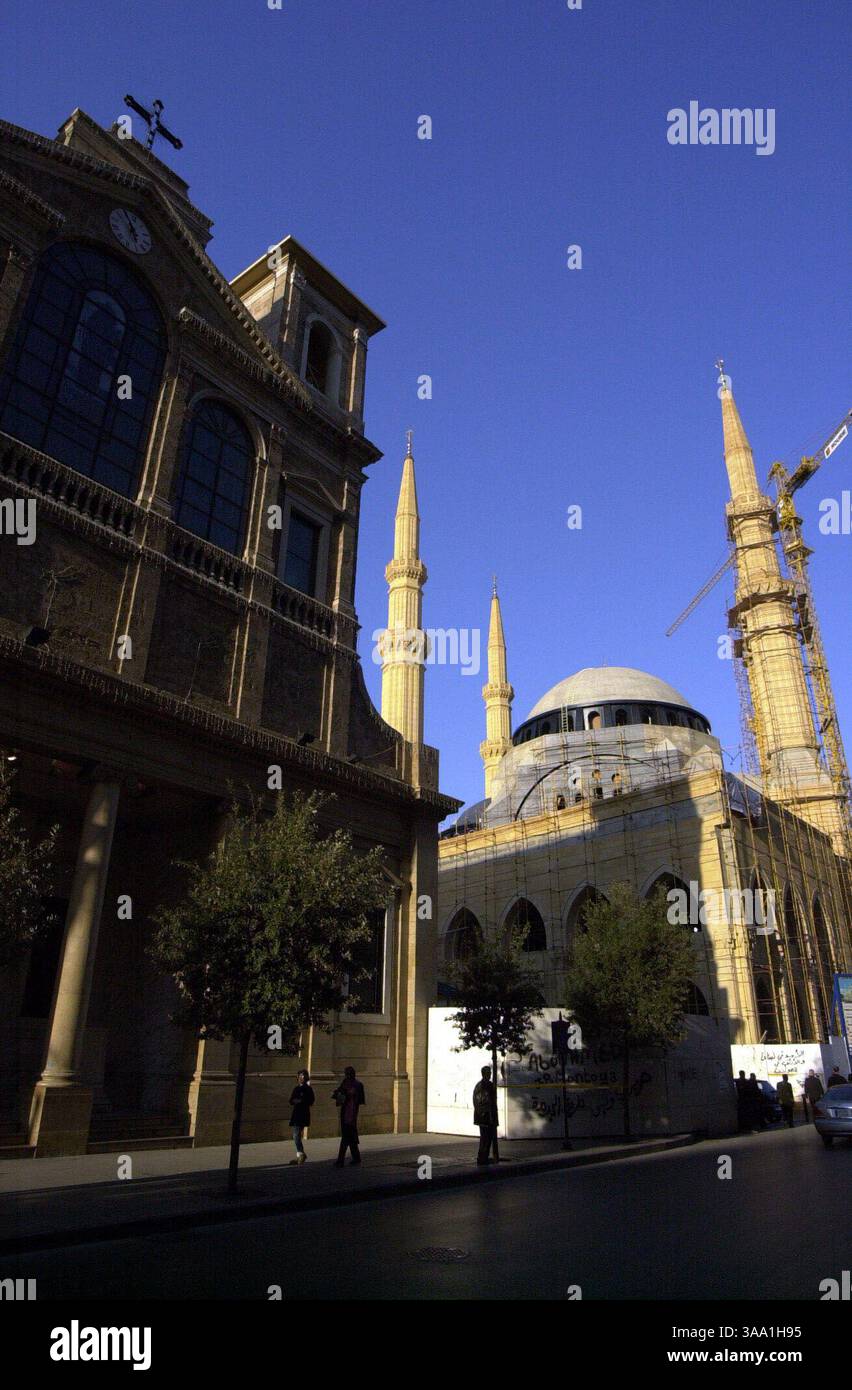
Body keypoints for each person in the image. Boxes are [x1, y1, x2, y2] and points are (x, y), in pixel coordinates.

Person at [332, 1066, 365, 1167]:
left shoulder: (357, 1085)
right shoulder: (345, 1083)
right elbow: (340, 1094)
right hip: (346, 1111)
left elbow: (359, 1098)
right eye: (346, 1073)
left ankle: (340, 1160)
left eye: (348, 1073)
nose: (347, 1075)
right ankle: (356, 1157)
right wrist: (337, 1094)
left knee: (346, 1137)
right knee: (350, 1136)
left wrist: (348, 1094)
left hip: (351, 1112)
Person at [288, 1068, 315, 1165]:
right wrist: (295, 1101)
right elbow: (291, 1100)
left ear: (306, 1077)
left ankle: (301, 1154)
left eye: (303, 1075)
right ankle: (300, 1155)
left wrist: (301, 1101)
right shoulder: (296, 1088)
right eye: (299, 1075)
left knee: (296, 1135)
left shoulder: (308, 1089)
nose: (301, 1077)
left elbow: (311, 1101)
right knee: (296, 1135)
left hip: (303, 1114)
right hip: (296, 1114)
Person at [473, 1065, 497, 1165]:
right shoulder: (483, 1086)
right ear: (484, 1074)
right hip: (485, 1116)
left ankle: (484, 1157)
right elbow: (480, 1101)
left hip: (486, 1116)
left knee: (487, 1137)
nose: (490, 1074)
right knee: (485, 1137)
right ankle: (482, 1158)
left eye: (490, 1072)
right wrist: (485, 1114)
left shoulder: (487, 1085)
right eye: (488, 1073)